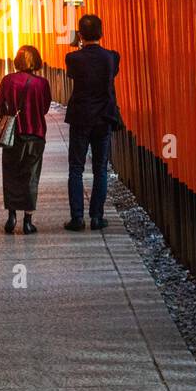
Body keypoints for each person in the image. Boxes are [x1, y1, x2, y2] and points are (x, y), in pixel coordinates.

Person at [63, 14, 122, 232]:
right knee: (100, 168)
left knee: (76, 168)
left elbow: (73, 73)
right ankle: (97, 217)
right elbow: (112, 71)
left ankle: (77, 218)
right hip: (103, 117)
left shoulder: (73, 59)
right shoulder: (112, 57)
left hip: (80, 117)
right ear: (102, 32)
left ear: (80, 34)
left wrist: (77, 44)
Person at [0, 45, 53, 235]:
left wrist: (8, 116)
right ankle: (28, 221)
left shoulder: (8, 80)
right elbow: (44, 108)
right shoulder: (41, 83)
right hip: (35, 135)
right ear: (36, 60)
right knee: (31, 176)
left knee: (11, 174)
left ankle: (11, 217)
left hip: (13, 135)